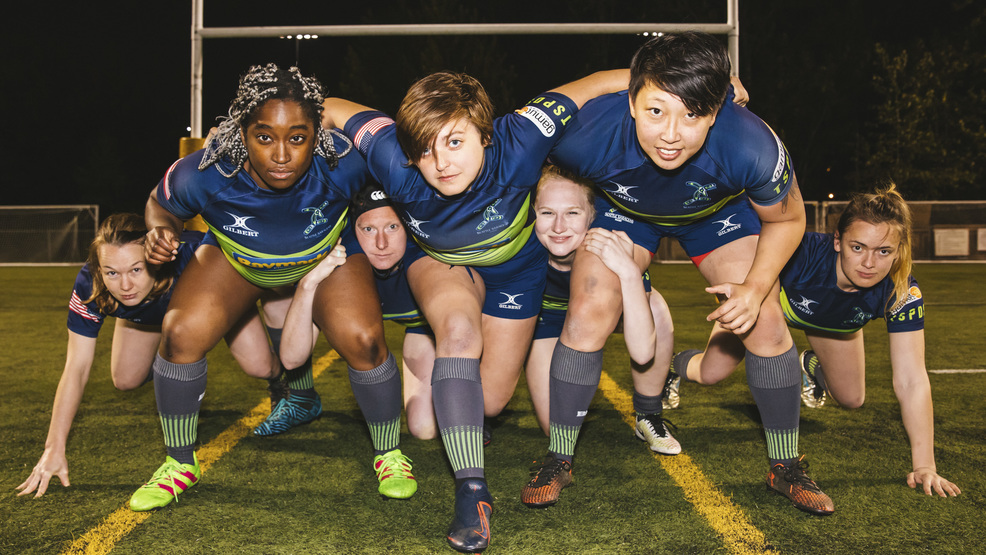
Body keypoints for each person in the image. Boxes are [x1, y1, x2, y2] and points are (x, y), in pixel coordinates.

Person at [322, 69, 629, 552]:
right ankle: (473, 492)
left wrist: (682, 87)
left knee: (489, 403)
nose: (440, 163)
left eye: (455, 142)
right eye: (425, 149)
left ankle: (443, 379)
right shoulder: (389, 154)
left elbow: (591, 86)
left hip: (516, 270)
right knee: (460, 337)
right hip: (440, 261)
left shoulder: (522, 138)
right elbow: (335, 105)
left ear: (485, 135)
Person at [532, 31, 834, 516]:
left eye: (693, 115)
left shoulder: (751, 142)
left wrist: (755, 290)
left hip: (715, 213)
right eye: (656, 111)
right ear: (630, 101)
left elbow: (789, 218)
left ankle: (785, 466)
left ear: (716, 112)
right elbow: (509, 159)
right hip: (623, 211)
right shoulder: (582, 132)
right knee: (589, 306)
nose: (671, 134)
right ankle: (558, 458)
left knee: (768, 322)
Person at [134, 63, 414, 511]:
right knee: (180, 332)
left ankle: (390, 453)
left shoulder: (344, 162)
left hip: (324, 259)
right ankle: (180, 462)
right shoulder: (206, 171)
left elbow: (407, 173)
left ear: (317, 133)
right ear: (240, 132)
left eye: (298, 137)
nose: (282, 154)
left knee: (364, 340)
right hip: (237, 260)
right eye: (265, 137)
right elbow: (159, 203)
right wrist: (159, 230)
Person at [670, 183, 961, 498]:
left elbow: (912, 378)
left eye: (884, 251)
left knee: (851, 398)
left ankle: (810, 364)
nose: (869, 263)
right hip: (766, 311)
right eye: (858, 247)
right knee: (711, 373)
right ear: (838, 241)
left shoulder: (901, 292)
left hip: (834, 325)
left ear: (899, 249)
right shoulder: (799, 252)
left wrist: (925, 466)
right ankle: (671, 366)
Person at [15, 213, 275, 498]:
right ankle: (175, 369)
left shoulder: (190, 253)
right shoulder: (90, 283)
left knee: (260, 366)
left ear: (155, 257)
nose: (125, 286)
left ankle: (288, 385)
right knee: (125, 379)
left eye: (136, 270)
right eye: (112, 272)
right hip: (152, 314)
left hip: (212, 299)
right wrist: (54, 447)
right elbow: (76, 367)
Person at [525, 165, 679, 459]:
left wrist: (629, 271)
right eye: (547, 213)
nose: (559, 227)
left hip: (603, 319)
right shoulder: (522, 247)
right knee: (553, 424)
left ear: (592, 216)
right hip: (545, 321)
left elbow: (642, 351)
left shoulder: (609, 247)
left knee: (655, 307)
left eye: (572, 213)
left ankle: (648, 412)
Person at [280, 181, 439, 441]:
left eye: (392, 227)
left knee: (425, 428)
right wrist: (308, 285)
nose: (381, 242)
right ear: (353, 229)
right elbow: (291, 359)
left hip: (424, 330)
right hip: (389, 315)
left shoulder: (427, 250)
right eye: (368, 229)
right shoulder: (341, 259)